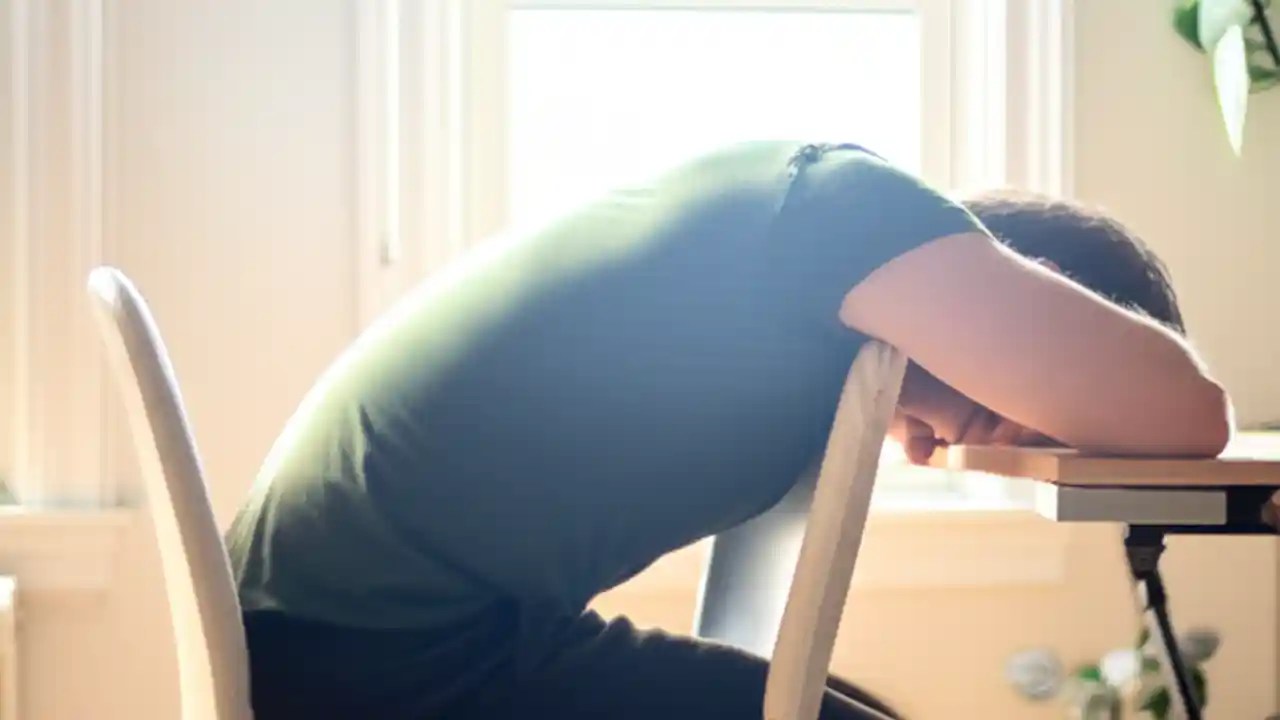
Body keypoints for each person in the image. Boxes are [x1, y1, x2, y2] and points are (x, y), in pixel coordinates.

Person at [226, 141, 1232, 720]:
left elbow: (754, 653)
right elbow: (1189, 418)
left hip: (357, 630)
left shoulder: (792, 264)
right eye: (1038, 409)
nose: (946, 446)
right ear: (1027, 301)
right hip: (369, 662)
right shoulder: (846, 214)